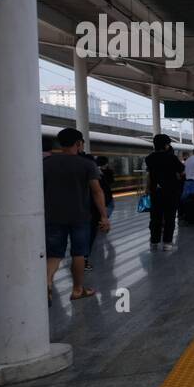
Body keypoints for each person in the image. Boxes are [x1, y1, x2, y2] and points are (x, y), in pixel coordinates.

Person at [44, 127, 109, 301]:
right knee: (79, 254)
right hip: (80, 217)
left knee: (54, 255)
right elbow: (97, 191)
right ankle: (78, 290)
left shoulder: (47, 163)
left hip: (52, 216)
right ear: (79, 143)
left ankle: (47, 281)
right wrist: (104, 216)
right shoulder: (87, 164)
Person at [145, 134, 184, 250]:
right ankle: (167, 243)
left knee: (155, 217)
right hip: (171, 191)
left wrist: (147, 188)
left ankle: (154, 242)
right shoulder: (171, 157)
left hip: (155, 191)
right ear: (166, 145)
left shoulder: (149, 158)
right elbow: (181, 171)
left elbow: (150, 175)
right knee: (169, 217)